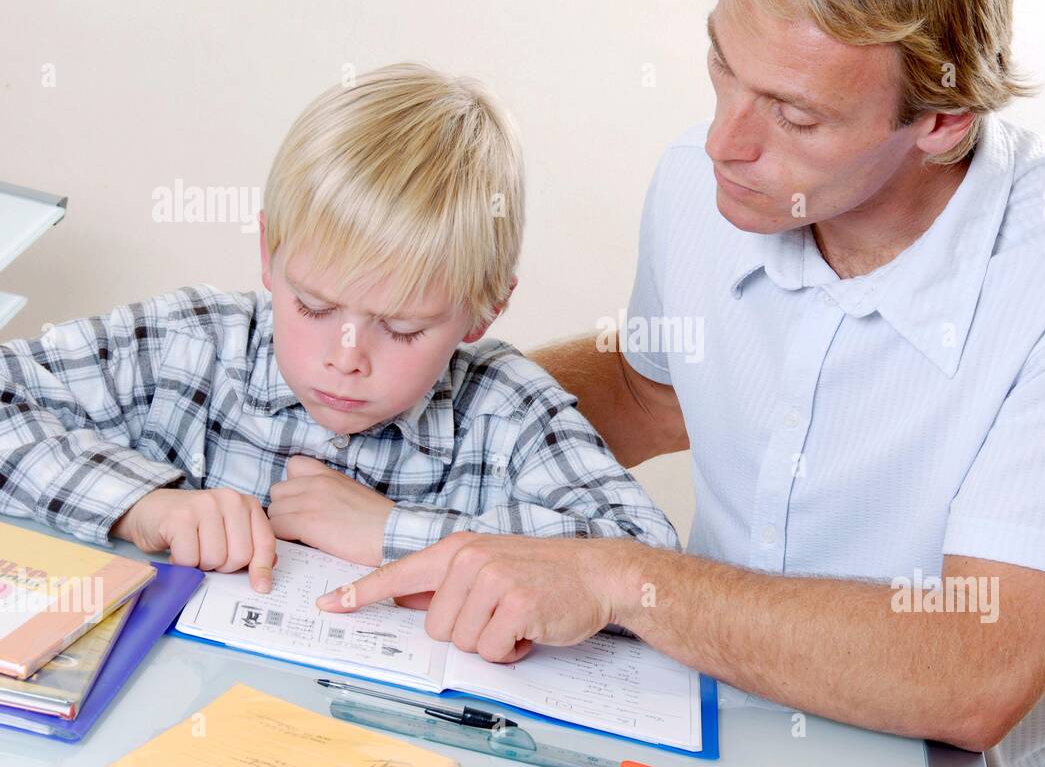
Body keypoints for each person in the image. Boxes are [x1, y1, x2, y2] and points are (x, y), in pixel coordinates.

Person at [316, 0, 1045, 767]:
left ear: (941, 121)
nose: (721, 141)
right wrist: (373, 389)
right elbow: (647, 392)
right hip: (690, 724)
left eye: (795, 115)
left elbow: (973, 676)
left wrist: (620, 580)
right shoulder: (701, 189)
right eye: (722, 65)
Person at [0, 63, 678, 603]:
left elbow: (647, 570)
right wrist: (142, 505)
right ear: (269, 253)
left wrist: (390, 532)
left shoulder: (506, 411)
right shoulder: (191, 345)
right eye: (315, 307)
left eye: (402, 328)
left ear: (484, 308)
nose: (345, 359)